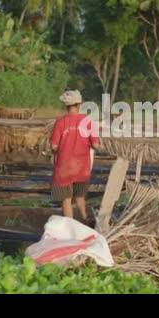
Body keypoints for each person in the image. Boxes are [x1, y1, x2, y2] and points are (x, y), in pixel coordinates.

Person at [50, 90, 100, 223]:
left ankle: (70, 226)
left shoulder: (60, 122)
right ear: (79, 104)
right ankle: (85, 219)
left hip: (64, 168)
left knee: (66, 199)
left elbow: (54, 146)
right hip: (81, 167)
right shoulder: (87, 121)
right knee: (80, 196)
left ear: (66, 106)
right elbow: (95, 144)